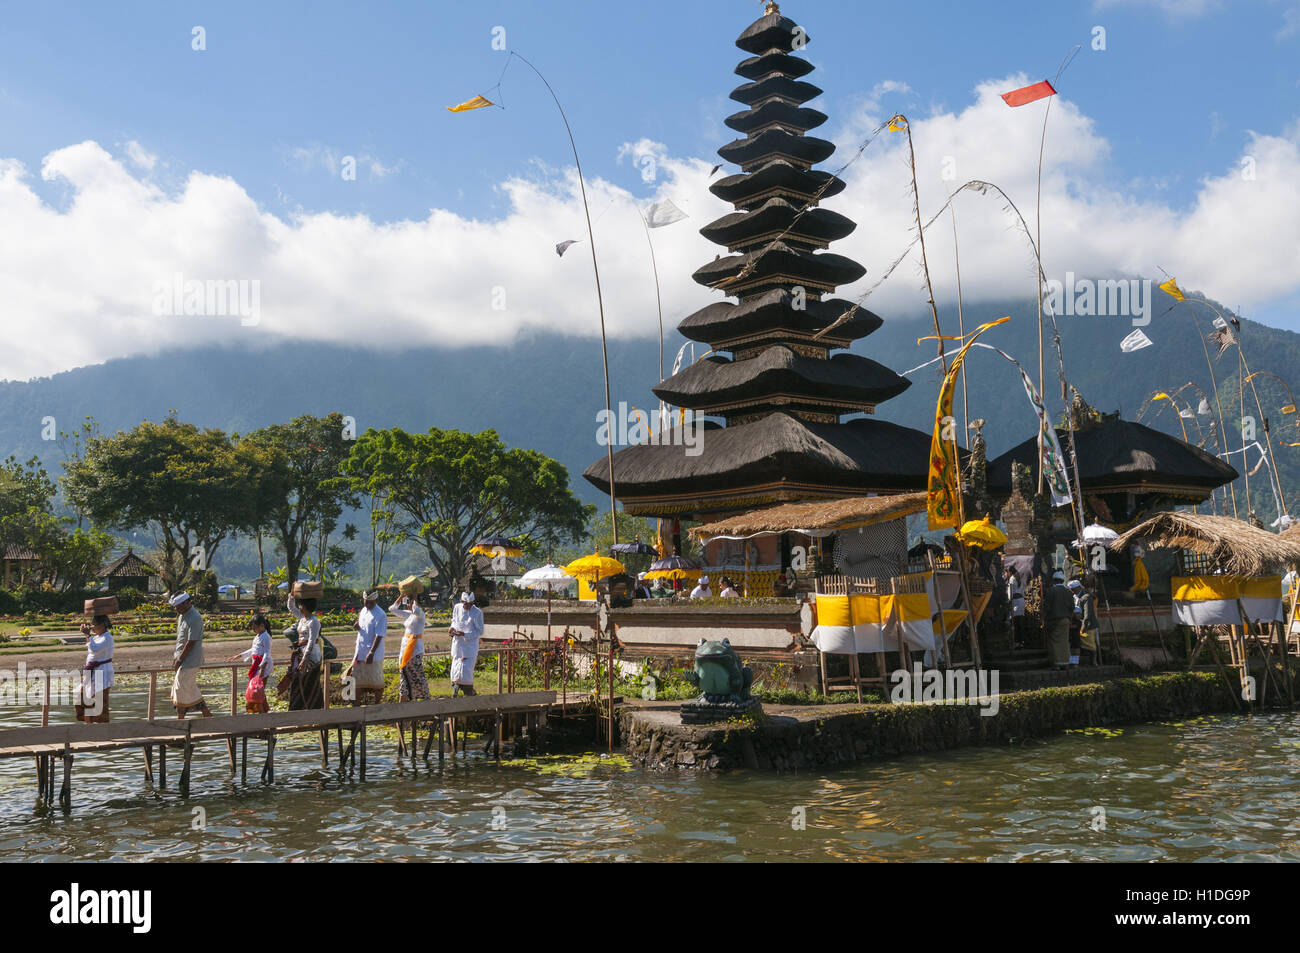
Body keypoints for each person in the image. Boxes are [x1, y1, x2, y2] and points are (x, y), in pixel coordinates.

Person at [169, 592, 212, 718]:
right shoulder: (182, 616)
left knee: (180, 687)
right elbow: (181, 639)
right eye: (175, 607)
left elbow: (191, 642)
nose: (177, 609)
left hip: (190, 659)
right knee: (187, 688)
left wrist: (180, 659)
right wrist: (177, 658)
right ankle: (206, 714)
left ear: (186, 603)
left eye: (178, 606)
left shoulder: (195, 617)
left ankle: (183, 718)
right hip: (182, 658)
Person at [285, 593, 324, 710]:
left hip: (311, 656)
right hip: (300, 652)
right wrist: (291, 596)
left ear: (305, 606)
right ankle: (297, 709)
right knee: (298, 681)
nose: (299, 606)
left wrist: (305, 659)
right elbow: (291, 608)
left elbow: (311, 642)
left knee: (310, 682)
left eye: (301, 605)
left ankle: (314, 708)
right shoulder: (302, 618)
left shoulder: (314, 622)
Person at [390, 590, 429, 702]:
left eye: (410, 602)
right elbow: (392, 609)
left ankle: (426, 699)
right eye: (407, 602)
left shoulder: (420, 614)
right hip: (405, 647)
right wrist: (401, 595)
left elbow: (416, 610)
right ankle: (402, 702)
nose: (408, 605)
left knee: (417, 675)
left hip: (415, 649)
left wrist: (415, 597)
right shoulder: (408, 614)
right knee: (403, 674)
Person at [230, 613, 273, 713]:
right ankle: (264, 712)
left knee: (258, 691)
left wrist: (262, 668)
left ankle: (262, 714)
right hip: (256, 665)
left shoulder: (266, 637)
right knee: (259, 692)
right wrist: (239, 655)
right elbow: (253, 650)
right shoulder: (258, 636)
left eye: (255, 628)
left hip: (263, 666)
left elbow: (267, 653)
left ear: (262, 626)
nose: (254, 630)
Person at [75, 614, 114, 723]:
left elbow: (94, 649)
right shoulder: (97, 637)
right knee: (81, 701)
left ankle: (102, 726)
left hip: (102, 672)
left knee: (100, 703)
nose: (92, 627)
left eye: (94, 624)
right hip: (92, 671)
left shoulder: (107, 637)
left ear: (102, 625)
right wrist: (88, 636)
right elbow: (92, 648)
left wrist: (87, 635)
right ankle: (89, 721)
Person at [351, 589, 387, 704]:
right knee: (356, 679)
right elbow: (364, 629)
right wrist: (358, 627)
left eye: (371, 602)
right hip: (360, 651)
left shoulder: (381, 615)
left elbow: (379, 635)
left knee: (377, 682)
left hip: (373, 654)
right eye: (366, 602)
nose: (368, 604)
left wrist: (371, 652)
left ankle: (377, 705)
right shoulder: (363, 611)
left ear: (376, 600)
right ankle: (356, 706)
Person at [449, 591, 484, 696]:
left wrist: (465, 634)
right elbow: (454, 621)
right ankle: (456, 691)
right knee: (455, 672)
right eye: (465, 604)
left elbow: (479, 631)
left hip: (469, 648)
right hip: (458, 646)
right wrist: (452, 628)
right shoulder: (457, 608)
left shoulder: (477, 612)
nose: (468, 606)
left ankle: (470, 694)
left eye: (470, 604)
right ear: (461, 601)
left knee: (465, 673)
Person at [1043, 571, 1075, 671]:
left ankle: (1057, 663)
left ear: (1054, 581)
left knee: (1054, 642)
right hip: (1066, 620)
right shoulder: (1068, 592)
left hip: (1054, 620)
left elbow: (1047, 607)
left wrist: (1044, 617)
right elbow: (1072, 607)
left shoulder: (1051, 591)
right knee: (1064, 641)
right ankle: (1065, 663)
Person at [1071, 578, 1101, 667]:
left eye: (1073, 589)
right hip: (1078, 623)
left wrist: (1084, 625)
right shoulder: (1074, 596)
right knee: (1078, 642)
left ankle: (1094, 661)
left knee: (1090, 643)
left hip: (1088, 624)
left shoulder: (1086, 597)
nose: (1072, 591)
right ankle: (1078, 661)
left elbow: (1088, 613)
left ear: (1078, 588)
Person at [1005, 567, 1026, 648]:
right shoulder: (1020, 578)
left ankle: (1016, 642)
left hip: (1016, 602)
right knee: (1020, 622)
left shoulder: (1012, 579)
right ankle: (1021, 642)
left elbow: (1010, 593)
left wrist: (1009, 601)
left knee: (1015, 622)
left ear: (1010, 572)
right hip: (1021, 601)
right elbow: (1023, 591)